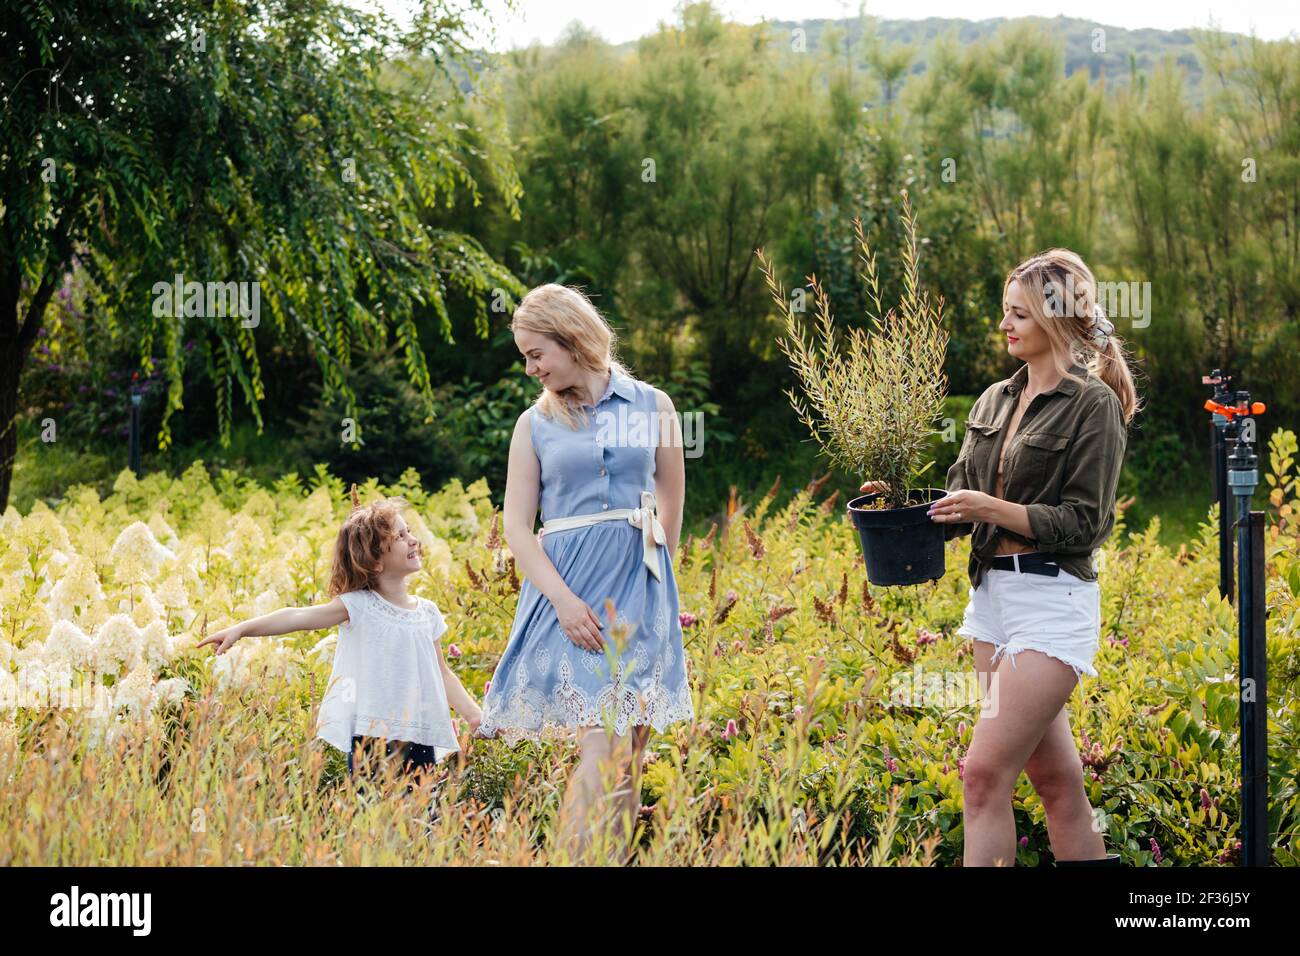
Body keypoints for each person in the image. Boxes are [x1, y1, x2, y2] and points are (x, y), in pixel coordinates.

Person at [863, 248, 1138, 866]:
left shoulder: (1091, 404)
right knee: (1058, 785)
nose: (1005, 325)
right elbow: (963, 500)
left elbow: (1086, 524)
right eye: (1004, 312)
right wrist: (902, 507)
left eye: (1019, 314)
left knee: (982, 774)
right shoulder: (991, 400)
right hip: (992, 604)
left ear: (1057, 318)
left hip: (1051, 602)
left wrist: (992, 509)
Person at [476, 283, 693, 862]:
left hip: (638, 597)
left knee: (630, 756)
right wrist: (565, 603)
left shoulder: (655, 406)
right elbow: (518, 527)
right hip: (567, 596)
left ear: (573, 340)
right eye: (525, 356)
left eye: (536, 353)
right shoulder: (533, 425)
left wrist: (657, 583)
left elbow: (671, 499)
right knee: (602, 741)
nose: (529, 368)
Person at [198, 489, 481, 806]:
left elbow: (442, 673)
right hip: (372, 739)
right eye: (400, 537)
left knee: (417, 826)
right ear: (374, 561)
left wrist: (473, 715)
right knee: (373, 824)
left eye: (409, 531)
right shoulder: (359, 606)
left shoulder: (426, 612)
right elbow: (299, 617)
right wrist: (242, 629)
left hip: (419, 736)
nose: (413, 540)